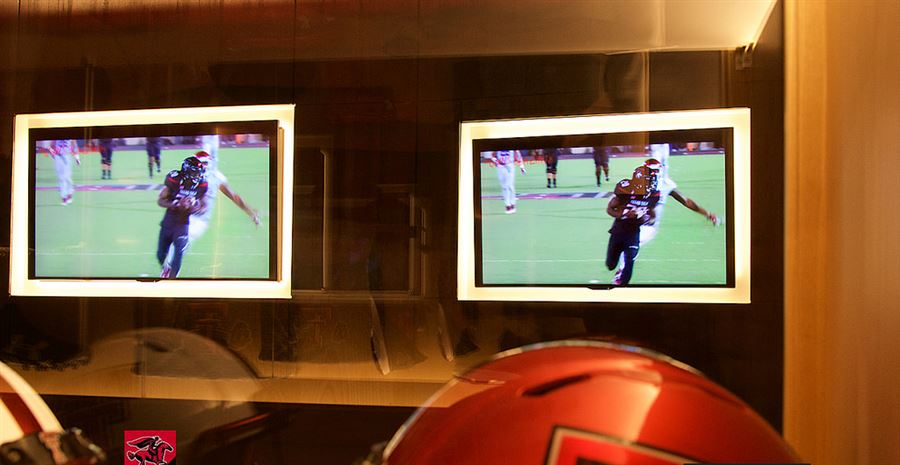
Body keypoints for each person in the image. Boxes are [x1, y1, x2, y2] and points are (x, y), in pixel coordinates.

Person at [639, 143, 719, 246]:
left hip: (647, 227)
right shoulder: (640, 182)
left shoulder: (665, 184)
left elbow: (686, 202)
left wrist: (707, 214)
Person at [605, 159, 661, 286]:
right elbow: (610, 208)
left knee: (630, 259)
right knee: (610, 264)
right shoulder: (625, 190)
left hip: (633, 232)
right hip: (618, 231)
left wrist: (646, 218)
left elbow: (652, 214)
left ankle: (623, 287)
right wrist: (624, 214)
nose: (652, 183)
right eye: (649, 180)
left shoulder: (653, 195)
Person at [156, 156, 208, 278]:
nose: (197, 176)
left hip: (183, 222)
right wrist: (176, 203)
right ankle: (166, 268)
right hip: (169, 220)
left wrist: (195, 208)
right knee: (160, 255)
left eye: (198, 173)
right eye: (195, 172)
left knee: (179, 250)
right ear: (187, 171)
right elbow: (160, 201)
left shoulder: (201, 184)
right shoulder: (174, 179)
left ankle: (173, 280)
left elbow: (204, 207)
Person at [489, 149, 526, 214]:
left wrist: (522, 166)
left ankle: (512, 204)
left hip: (510, 165)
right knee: (504, 187)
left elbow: (518, 155)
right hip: (500, 166)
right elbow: (492, 155)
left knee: (509, 185)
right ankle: (507, 204)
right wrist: (495, 160)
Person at [47, 139, 80, 205]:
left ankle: (70, 193)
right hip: (58, 156)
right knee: (61, 178)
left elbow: (74, 145)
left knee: (67, 177)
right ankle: (63, 197)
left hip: (67, 155)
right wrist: (53, 153)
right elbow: (50, 146)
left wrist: (77, 157)